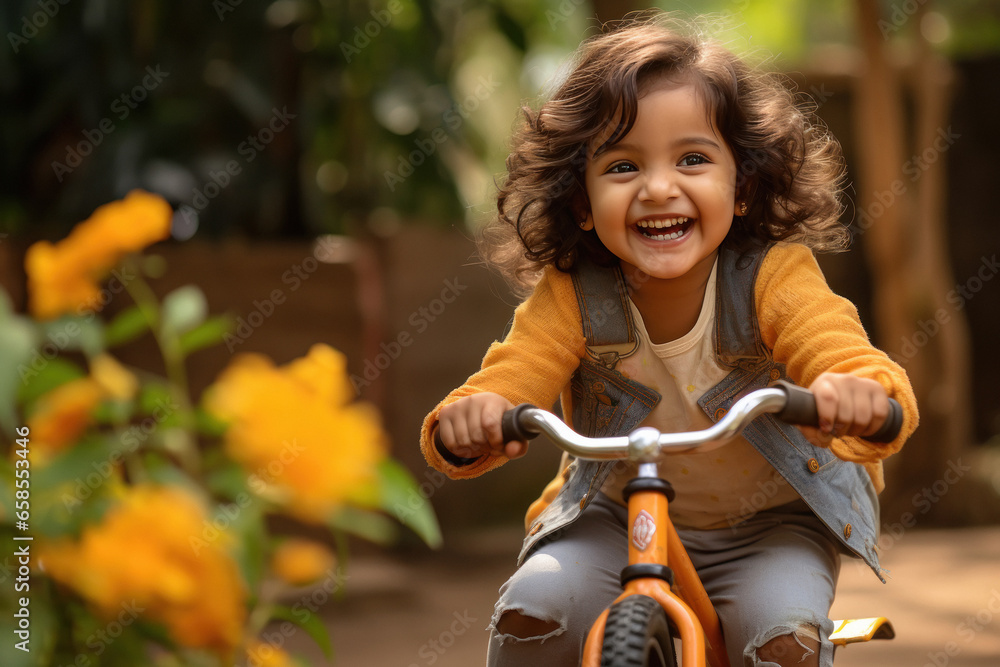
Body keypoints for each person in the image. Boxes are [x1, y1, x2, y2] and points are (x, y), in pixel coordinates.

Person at [419, 13, 918, 667]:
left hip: (769, 527)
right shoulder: (573, 293)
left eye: (692, 158)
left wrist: (856, 392)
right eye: (623, 165)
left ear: (740, 185)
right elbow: (514, 373)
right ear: (581, 202)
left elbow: (836, 345)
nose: (658, 188)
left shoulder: (774, 275)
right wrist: (476, 413)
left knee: (780, 640)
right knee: (534, 614)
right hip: (613, 516)